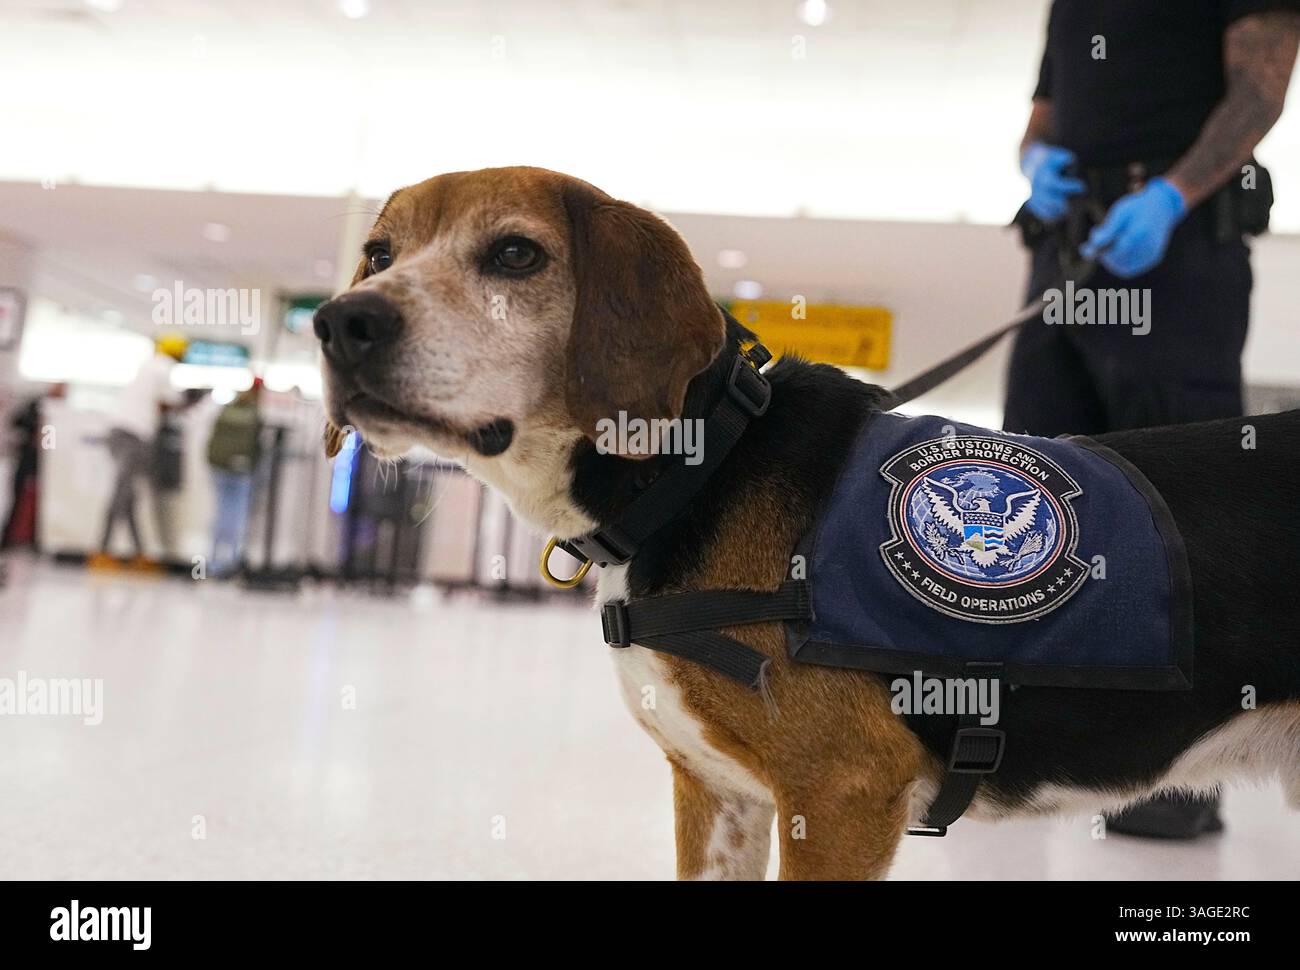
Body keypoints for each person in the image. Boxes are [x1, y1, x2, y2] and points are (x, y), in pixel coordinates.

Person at [1007, 2, 1300, 838]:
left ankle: (1181, 775)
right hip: (1068, 248)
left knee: (1184, 503)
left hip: (1178, 251)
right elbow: (1043, 114)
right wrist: (1036, 162)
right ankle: (1034, 745)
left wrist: (1171, 195)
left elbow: (1260, 92)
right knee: (1036, 486)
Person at [89, 335, 188, 569]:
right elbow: (170, 401)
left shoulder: (148, 365)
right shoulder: (163, 367)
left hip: (119, 432)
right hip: (133, 435)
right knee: (122, 493)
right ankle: (101, 551)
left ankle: (138, 553)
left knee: (129, 495)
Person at [206, 380, 263, 578]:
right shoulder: (256, 413)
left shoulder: (228, 408)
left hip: (219, 466)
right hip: (241, 470)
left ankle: (212, 561)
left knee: (221, 512)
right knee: (237, 515)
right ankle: (230, 563)